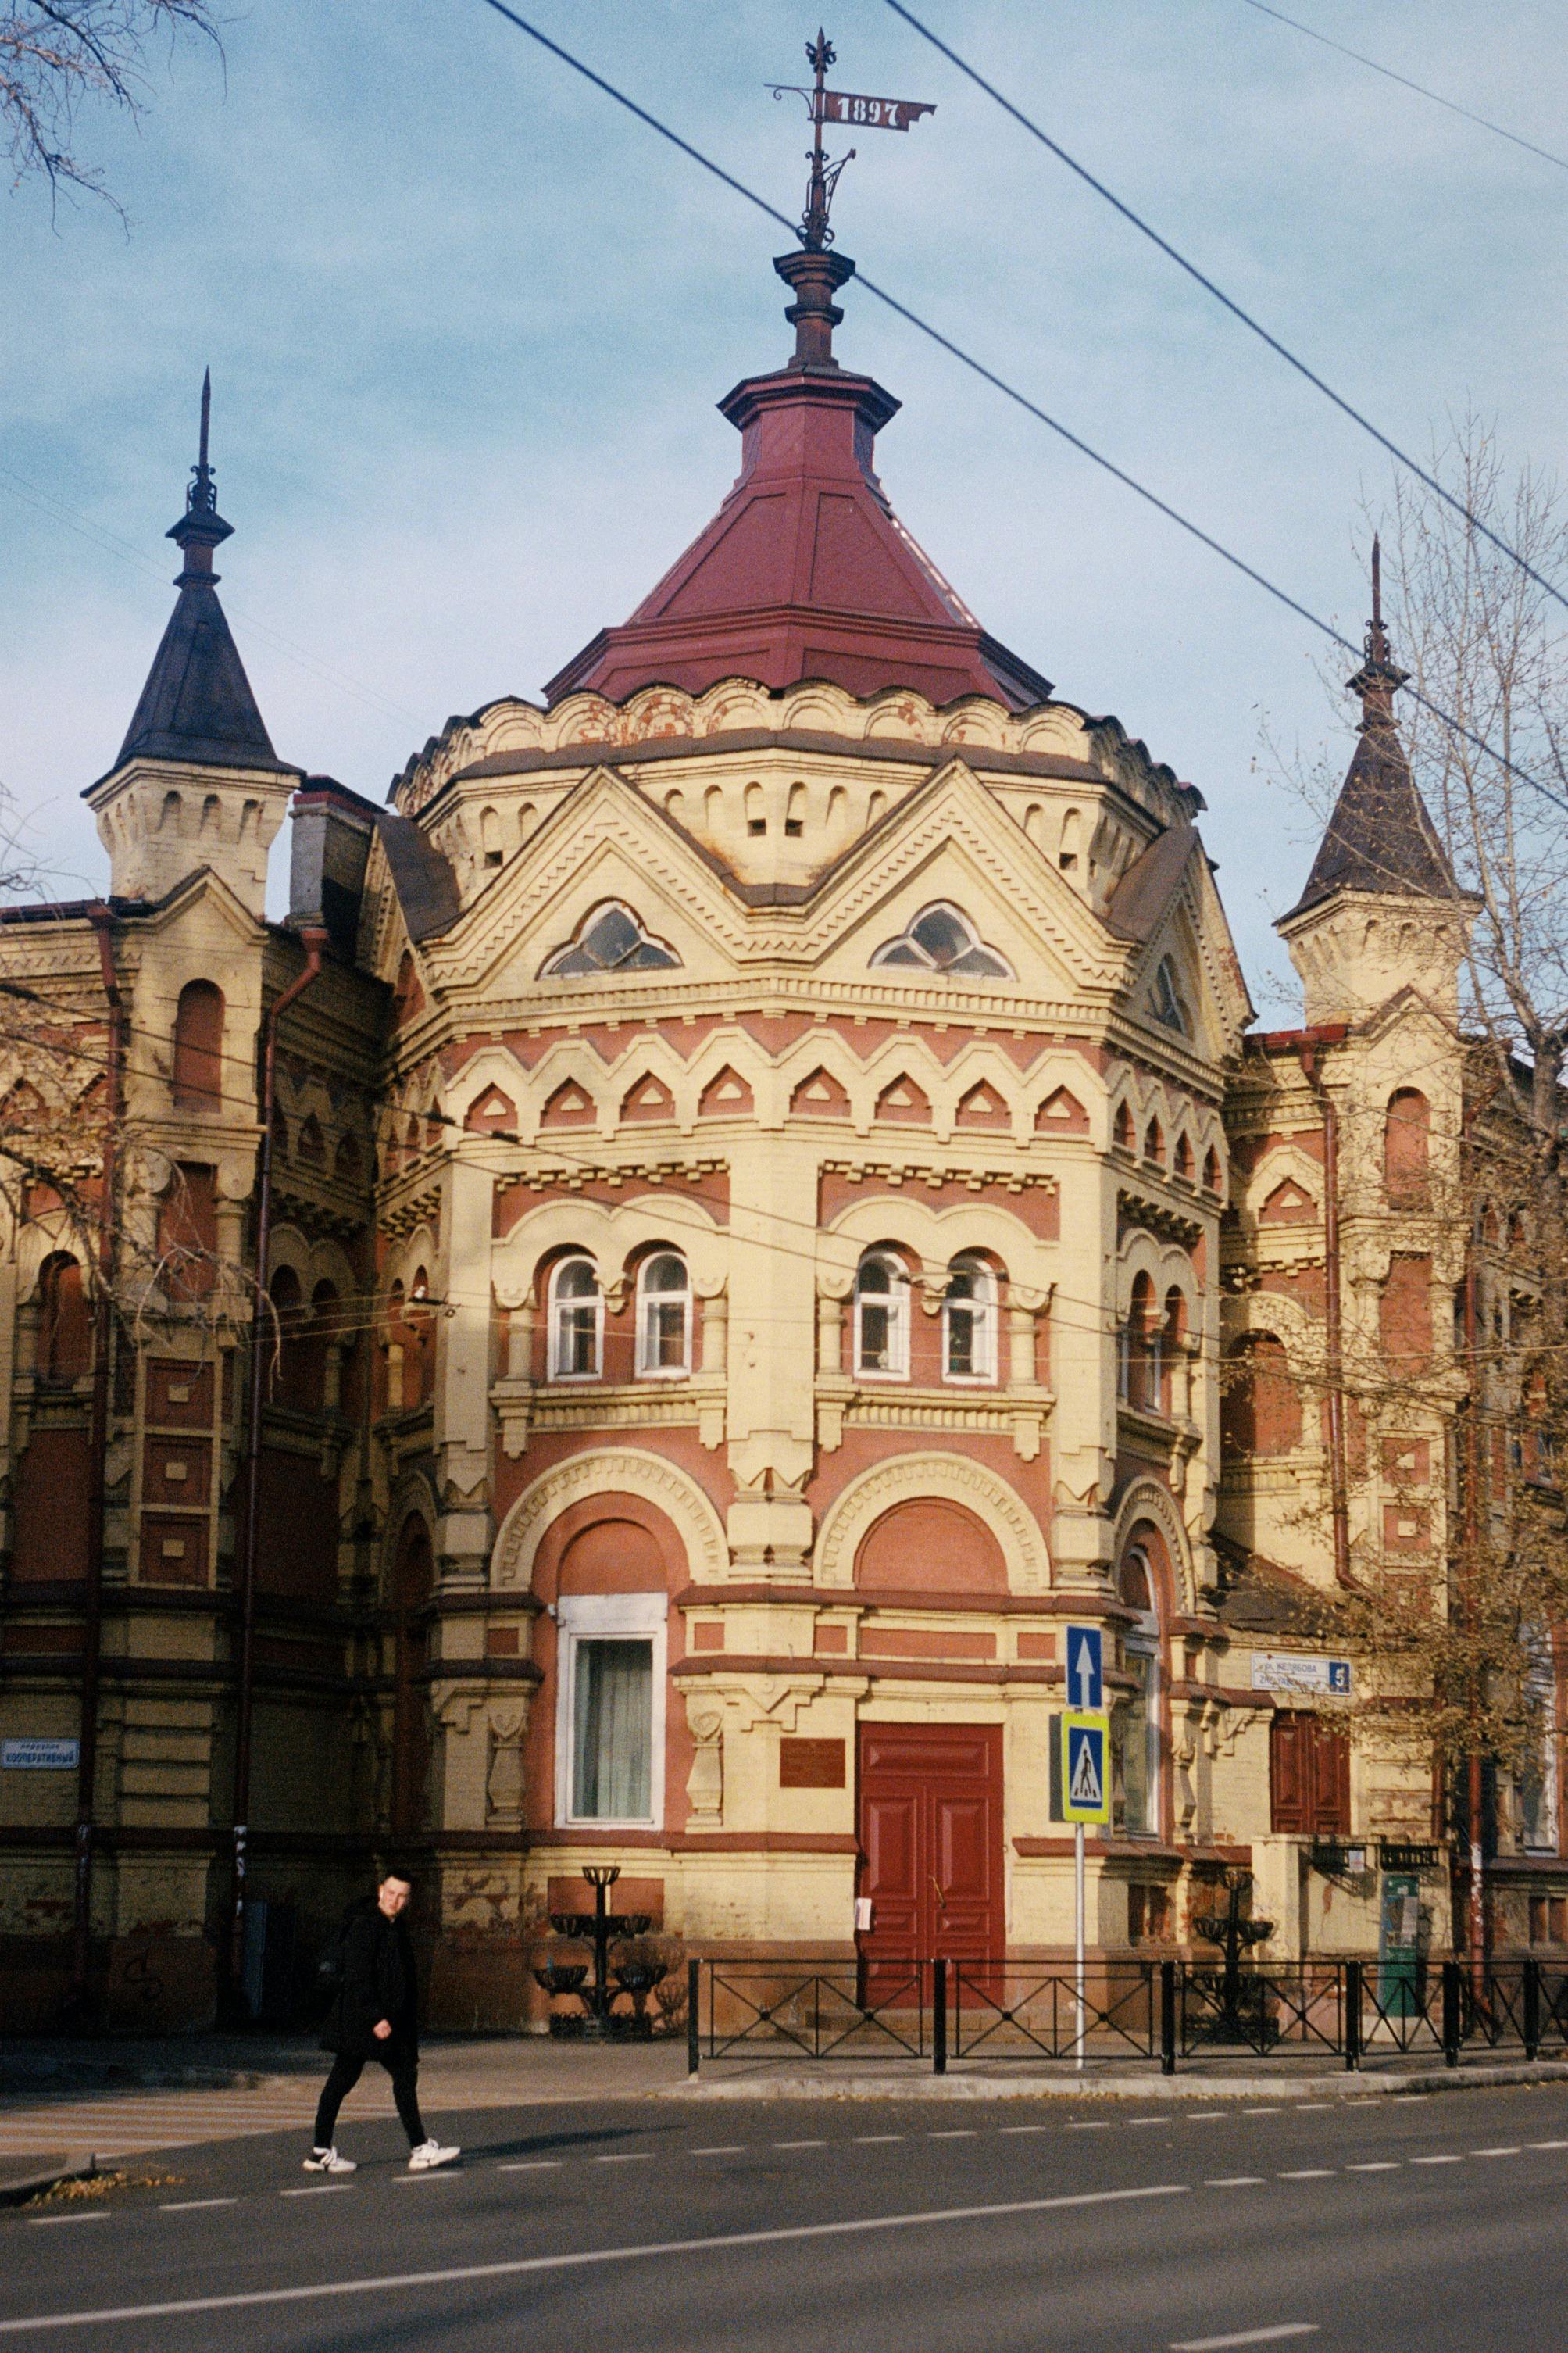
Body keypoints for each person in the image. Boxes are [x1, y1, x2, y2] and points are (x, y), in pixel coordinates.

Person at [305, 1864, 459, 2173]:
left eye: (402, 1896)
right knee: (348, 2081)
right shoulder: (366, 1924)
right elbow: (358, 1976)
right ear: (380, 1891)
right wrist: (375, 2016)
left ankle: (323, 2152)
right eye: (391, 1893)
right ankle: (415, 2148)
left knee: (389, 2077)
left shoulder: (395, 1926)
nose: (395, 1900)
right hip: (363, 2020)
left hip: (385, 2021)